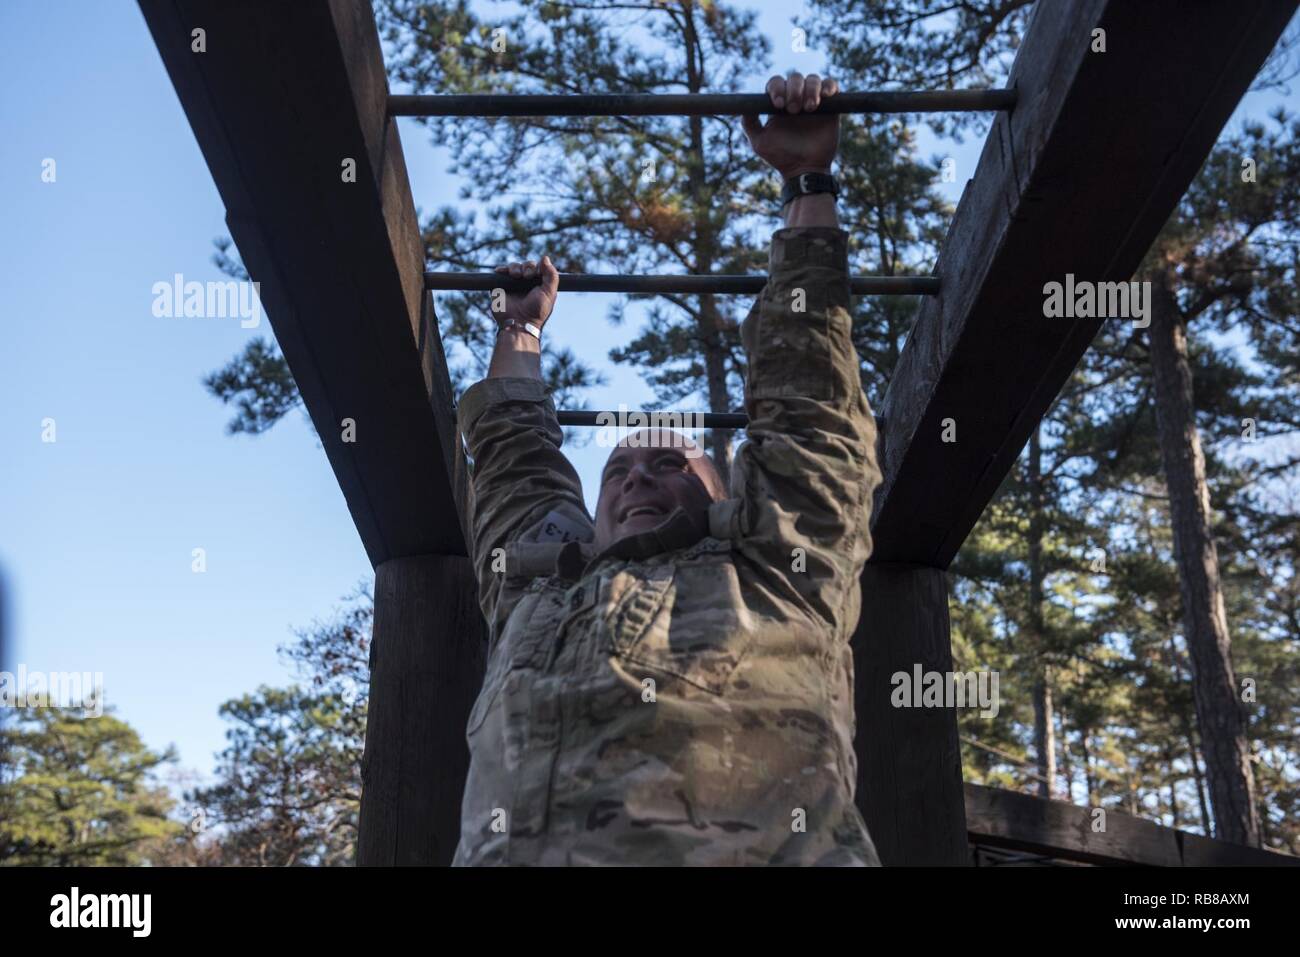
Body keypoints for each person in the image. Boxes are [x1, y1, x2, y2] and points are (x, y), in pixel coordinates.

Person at [453, 72, 883, 865]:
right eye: (618, 469)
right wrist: (519, 329)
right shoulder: (540, 586)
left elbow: (811, 411)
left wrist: (807, 182)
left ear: (727, 500)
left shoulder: (777, 569)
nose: (638, 478)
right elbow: (516, 466)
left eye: (671, 462)